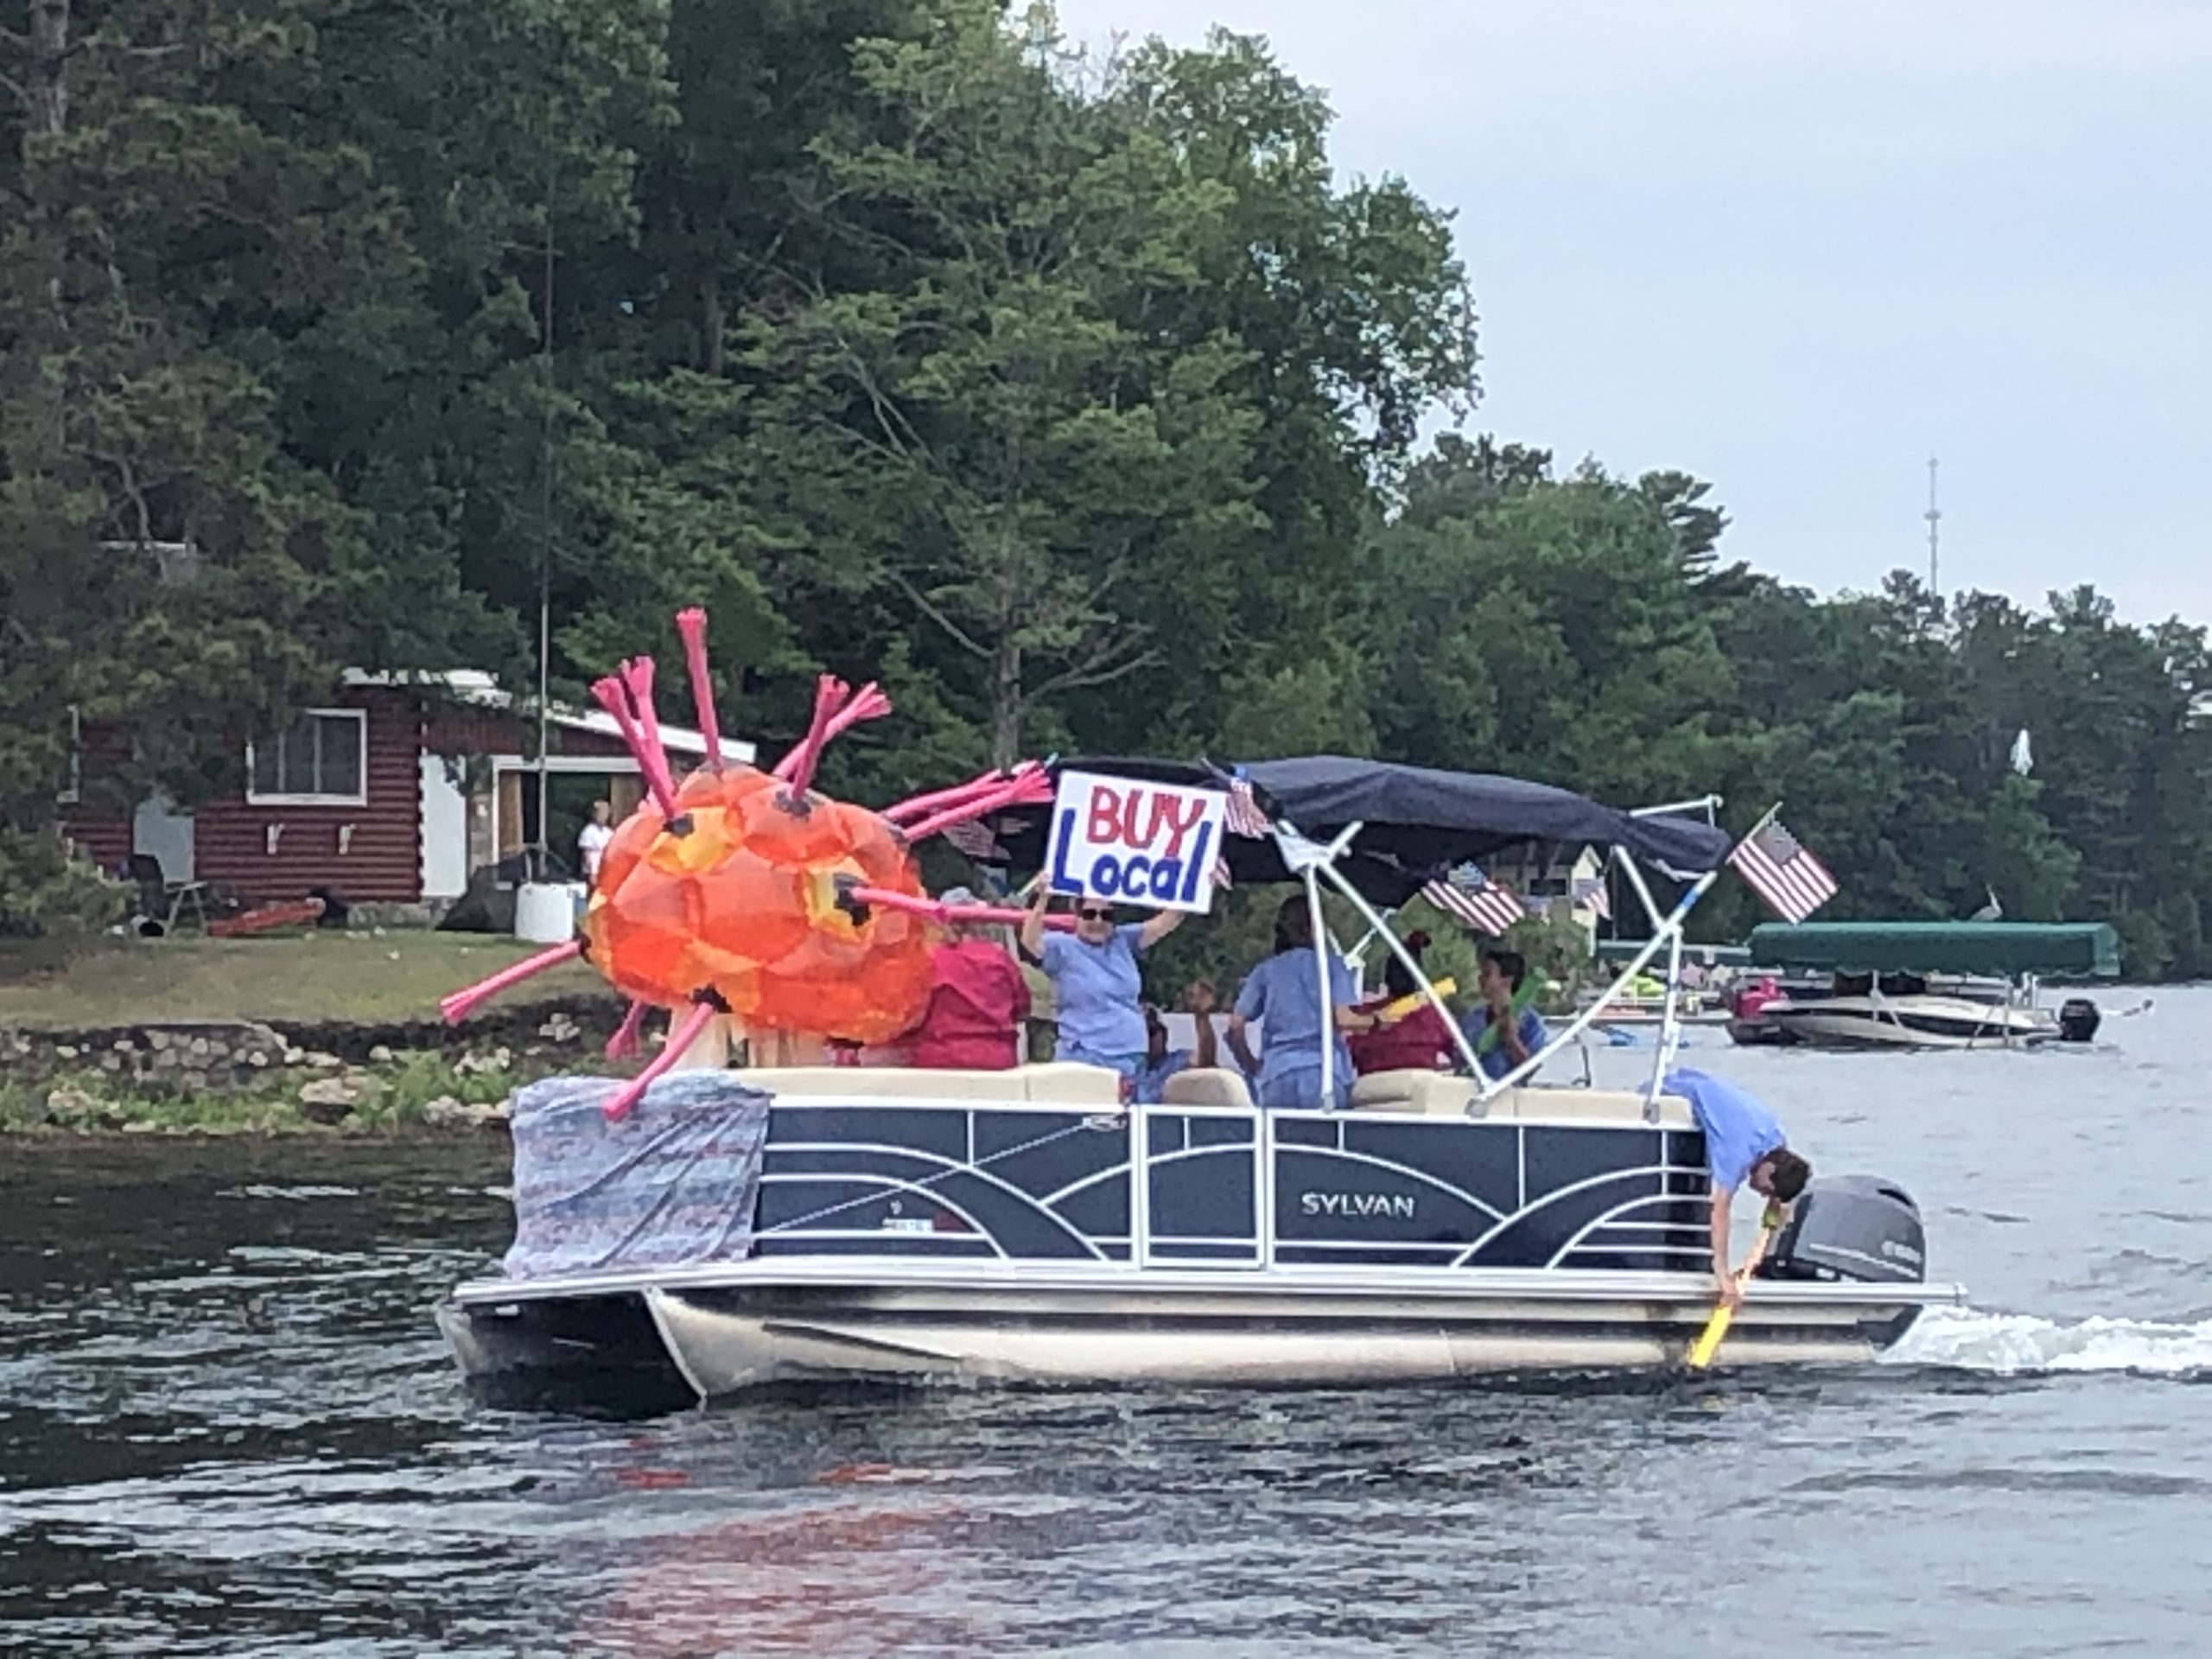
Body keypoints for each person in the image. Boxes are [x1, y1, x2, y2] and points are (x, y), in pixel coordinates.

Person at [1663, 1068, 1813, 1306]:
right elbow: (1720, 1210)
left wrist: (1762, 1249)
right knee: (1717, 1201)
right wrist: (1722, 1273)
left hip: (1699, 1082)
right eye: (1766, 1189)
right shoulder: (1737, 1152)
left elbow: (1777, 1203)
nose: (1762, 1194)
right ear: (1769, 1169)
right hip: (1671, 1092)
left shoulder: (1777, 1142)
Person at [1020, 886, 1185, 1086]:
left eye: (1106, 915)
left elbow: (1167, 922)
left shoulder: (1123, 939)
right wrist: (1044, 897)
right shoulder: (1062, 945)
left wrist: (1199, 881)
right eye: (1089, 914)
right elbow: (1029, 940)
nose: (1098, 921)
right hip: (1082, 1055)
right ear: (1077, 915)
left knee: (1125, 1116)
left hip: (1129, 1055)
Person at [1225, 896, 1371, 1109]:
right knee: (1325, 1141)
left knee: (1278, 1142)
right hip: (1324, 1072)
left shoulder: (1267, 970)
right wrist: (1376, 1021)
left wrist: (1252, 1066)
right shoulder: (1331, 965)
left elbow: (1235, 1026)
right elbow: (1343, 1019)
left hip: (1276, 1073)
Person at [904, 887, 1031, 1071]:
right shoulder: (1000, 958)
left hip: (938, 1060)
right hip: (995, 1061)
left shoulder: (929, 961)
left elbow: (910, 1014)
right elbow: (1022, 1010)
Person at [1347, 930, 1459, 1075]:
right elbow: (1457, 1053)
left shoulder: (1364, 1015)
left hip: (1381, 1090)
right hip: (1405, 1090)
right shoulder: (1434, 1016)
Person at [1462, 949, 1547, 1080]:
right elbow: (1459, 1062)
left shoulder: (1531, 1023)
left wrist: (1511, 1040)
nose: (1480, 979)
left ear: (1507, 980)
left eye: (1487, 974)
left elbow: (1530, 1071)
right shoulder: (1472, 1019)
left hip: (1510, 1095)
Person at [1136, 980, 1220, 1103]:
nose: (1147, 1040)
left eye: (1151, 1032)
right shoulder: (1126, 1067)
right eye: (1140, 1034)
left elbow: (1205, 1059)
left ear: (1165, 1034)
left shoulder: (1175, 1063)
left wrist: (1201, 1017)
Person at [577, 800, 613, 885]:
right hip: (592, 873)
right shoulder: (588, 831)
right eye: (601, 813)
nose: (604, 816)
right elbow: (586, 855)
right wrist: (592, 873)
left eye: (606, 813)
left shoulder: (608, 832)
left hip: (606, 871)